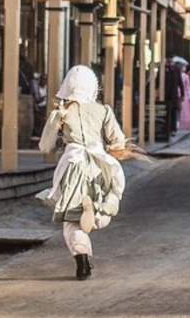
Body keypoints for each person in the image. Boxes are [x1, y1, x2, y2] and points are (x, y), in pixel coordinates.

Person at [37, 66, 129, 281]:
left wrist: (56, 125)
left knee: (71, 219)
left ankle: (82, 261)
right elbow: (118, 141)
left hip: (73, 165)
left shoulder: (62, 112)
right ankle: (98, 210)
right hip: (98, 164)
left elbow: (45, 146)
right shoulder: (104, 110)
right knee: (108, 198)